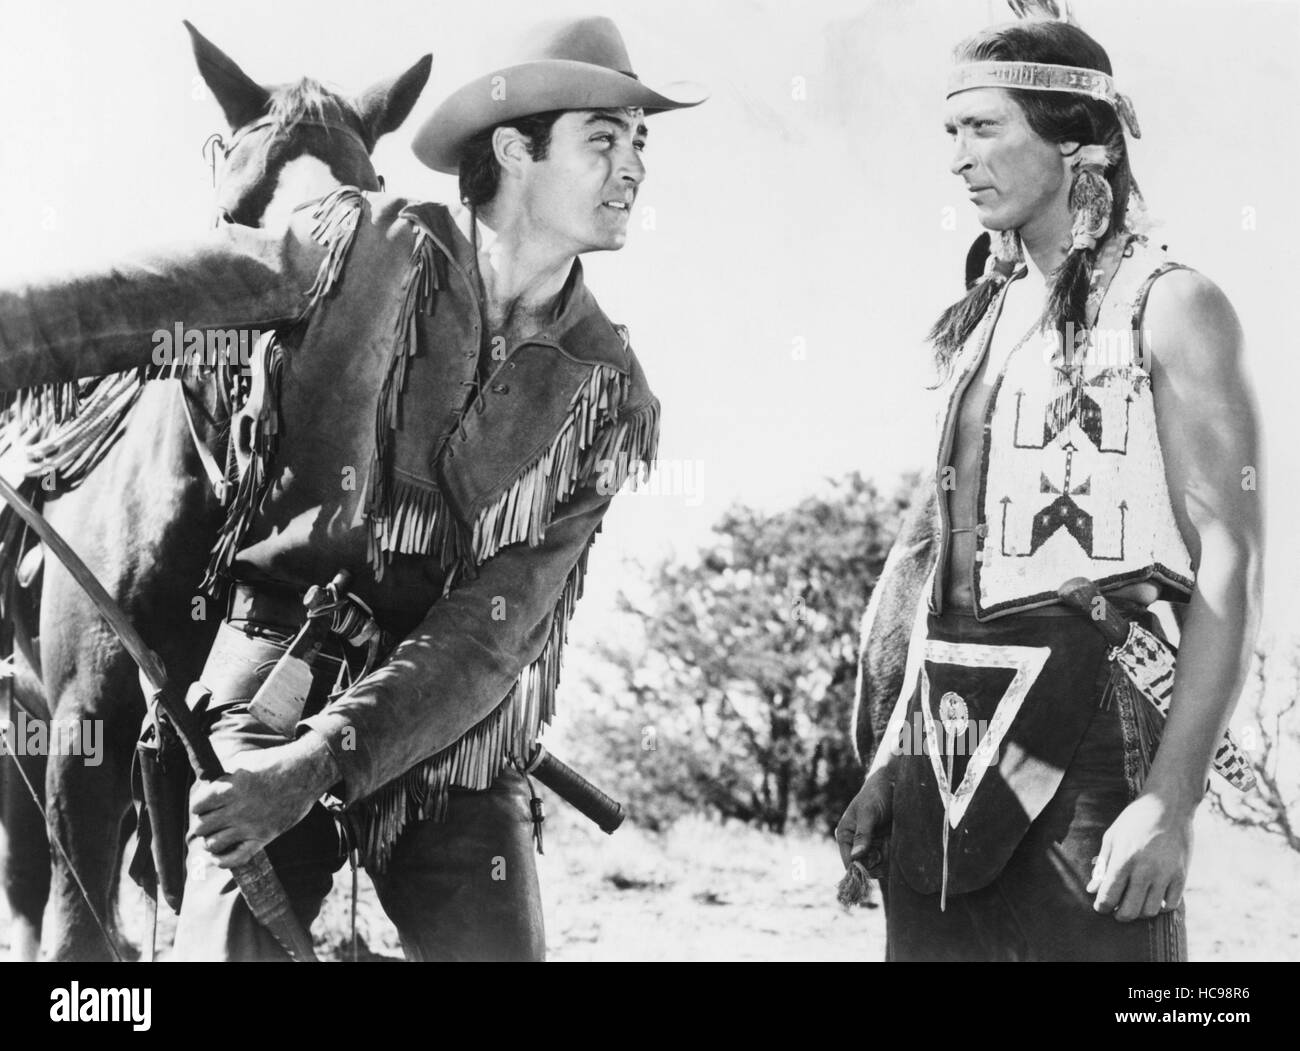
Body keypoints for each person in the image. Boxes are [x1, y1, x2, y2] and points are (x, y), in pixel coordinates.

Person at [0, 16, 704, 960]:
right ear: (514, 148)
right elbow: (158, 299)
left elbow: (493, 633)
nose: (634, 171)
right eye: (605, 140)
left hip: (449, 741)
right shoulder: (359, 245)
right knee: (231, 948)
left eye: (640, 144)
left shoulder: (609, 391)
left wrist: (323, 759)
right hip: (271, 685)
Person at [836, 15, 1263, 961]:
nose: (958, 157)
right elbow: (939, 576)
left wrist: (1170, 797)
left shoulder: (1172, 303)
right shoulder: (982, 322)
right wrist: (886, 763)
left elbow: (1231, 562)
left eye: (984, 128)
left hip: (1096, 741)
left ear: (1079, 138)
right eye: (951, 132)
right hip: (943, 758)